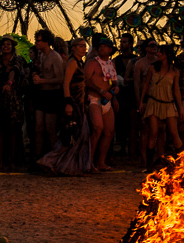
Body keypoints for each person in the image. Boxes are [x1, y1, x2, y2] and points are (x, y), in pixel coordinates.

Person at [38, 37, 92, 176]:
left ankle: (71, 166)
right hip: (73, 102)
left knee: (80, 135)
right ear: (73, 48)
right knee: (71, 135)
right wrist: (68, 102)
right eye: (80, 46)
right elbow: (66, 83)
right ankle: (49, 161)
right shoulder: (72, 63)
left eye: (84, 46)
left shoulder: (79, 62)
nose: (83, 48)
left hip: (79, 103)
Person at [140, 44, 184, 172]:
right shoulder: (153, 69)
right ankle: (149, 165)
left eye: (161, 52)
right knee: (153, 132)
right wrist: (142, 101)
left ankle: (182, 163)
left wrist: (180, 108)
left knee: (174, 133)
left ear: (168, 55)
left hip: (168, 103)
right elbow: (146, 85)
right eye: (158, 52)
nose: (158, 54)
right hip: (154, 103)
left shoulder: (175, 72)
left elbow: (176, 90)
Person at [0, 36, 26, 172]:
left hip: (14, 98)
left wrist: (9, 83)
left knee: (13, 131)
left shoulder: (18, 60)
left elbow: (14, 71)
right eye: (4, 44)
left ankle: (12, 161)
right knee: (0, 130)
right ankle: (0, 161)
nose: (6, 46)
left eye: (8, 44)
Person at [85, 37, 119, 171]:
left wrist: (115, 90)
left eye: (104, 46)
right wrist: (100, 91)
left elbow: (113, 82)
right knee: (97, 129)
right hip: (94, 100)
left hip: (107, 101)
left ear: (110, 50)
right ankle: (89, 162)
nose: (101, 48)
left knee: (109, 132)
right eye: (100, 46)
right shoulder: (92, 63)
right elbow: (86, 81)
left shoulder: (111, 64)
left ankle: (101, 162)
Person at [31, 29, 64, 159]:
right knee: (38, 127)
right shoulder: (41, 55)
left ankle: (53, 158)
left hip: (52, 94)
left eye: (38, 41)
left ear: (46, 42)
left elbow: (60, 79)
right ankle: (38, 157)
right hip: (41, 94)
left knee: (50, 128)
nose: (36, 43)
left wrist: (42, 80)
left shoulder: (55, 57)